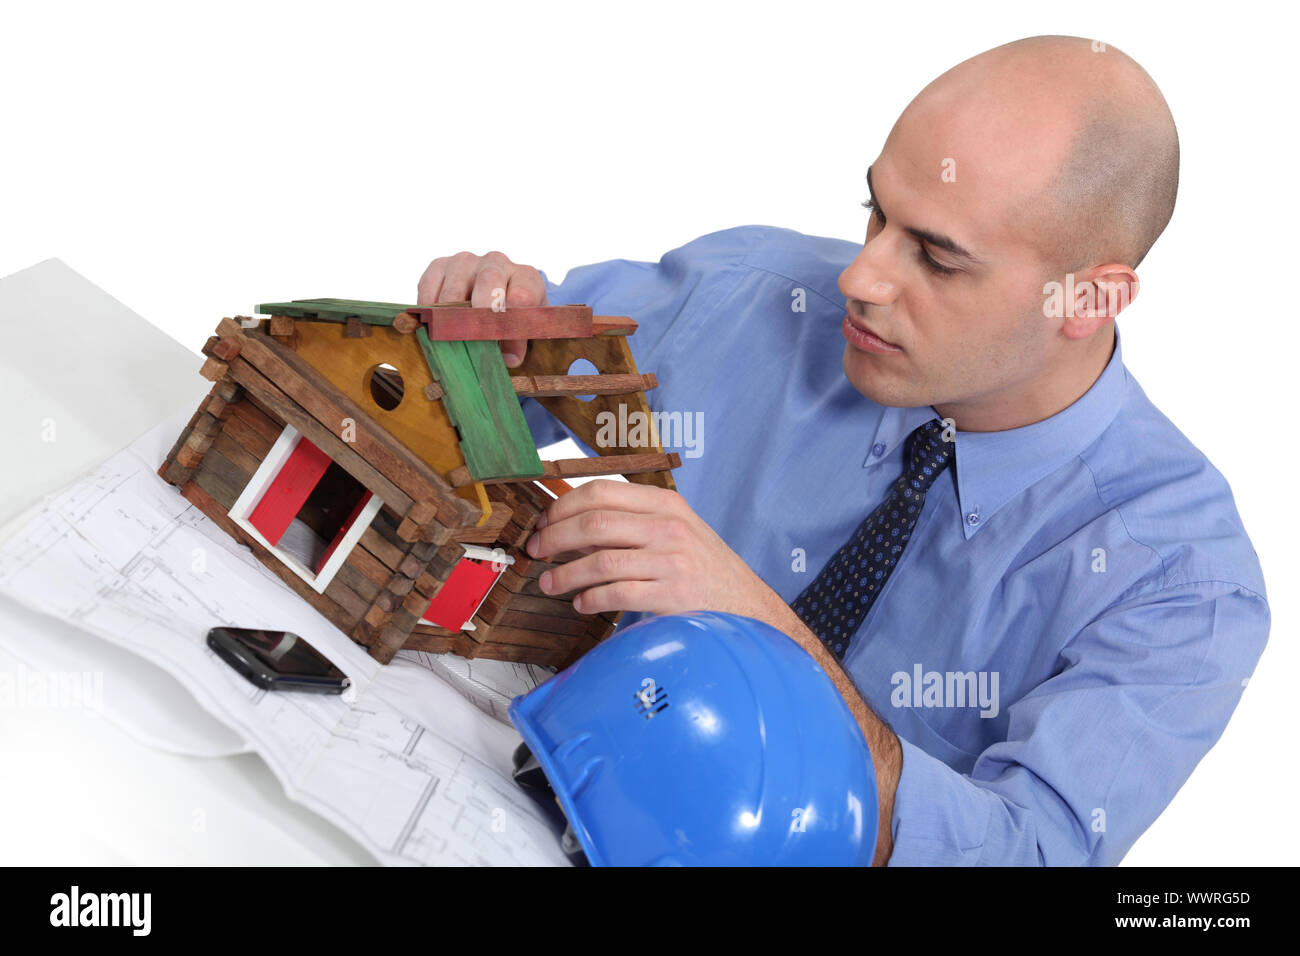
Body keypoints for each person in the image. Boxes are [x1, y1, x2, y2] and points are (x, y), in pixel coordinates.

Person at [415, 35, 1269, 866]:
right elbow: (462, 408)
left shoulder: (1179, 583)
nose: (861, 278)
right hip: (504, 787)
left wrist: (764, 630)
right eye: (877, 211)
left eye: (936, 258)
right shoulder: (750, 296)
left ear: (1087, 298)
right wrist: (472, 333)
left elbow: (1028, 853)